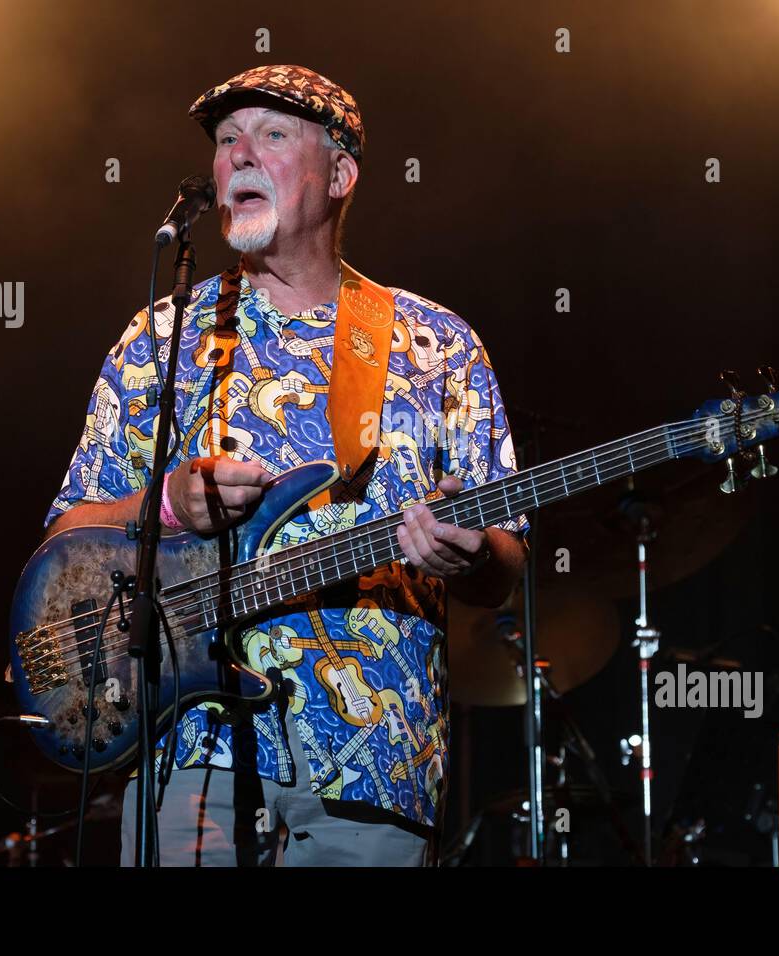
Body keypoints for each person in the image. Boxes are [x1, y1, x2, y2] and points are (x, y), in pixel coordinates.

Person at [43, 64, 528, 866]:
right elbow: (66, 532)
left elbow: (503, 563)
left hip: (375, 766)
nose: (238, 154)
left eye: (271, 135)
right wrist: (166, 503)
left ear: (339, 175)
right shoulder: (160, 337)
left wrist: (469, 553)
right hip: (187, 755)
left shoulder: (438, 344)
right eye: (227, 139)